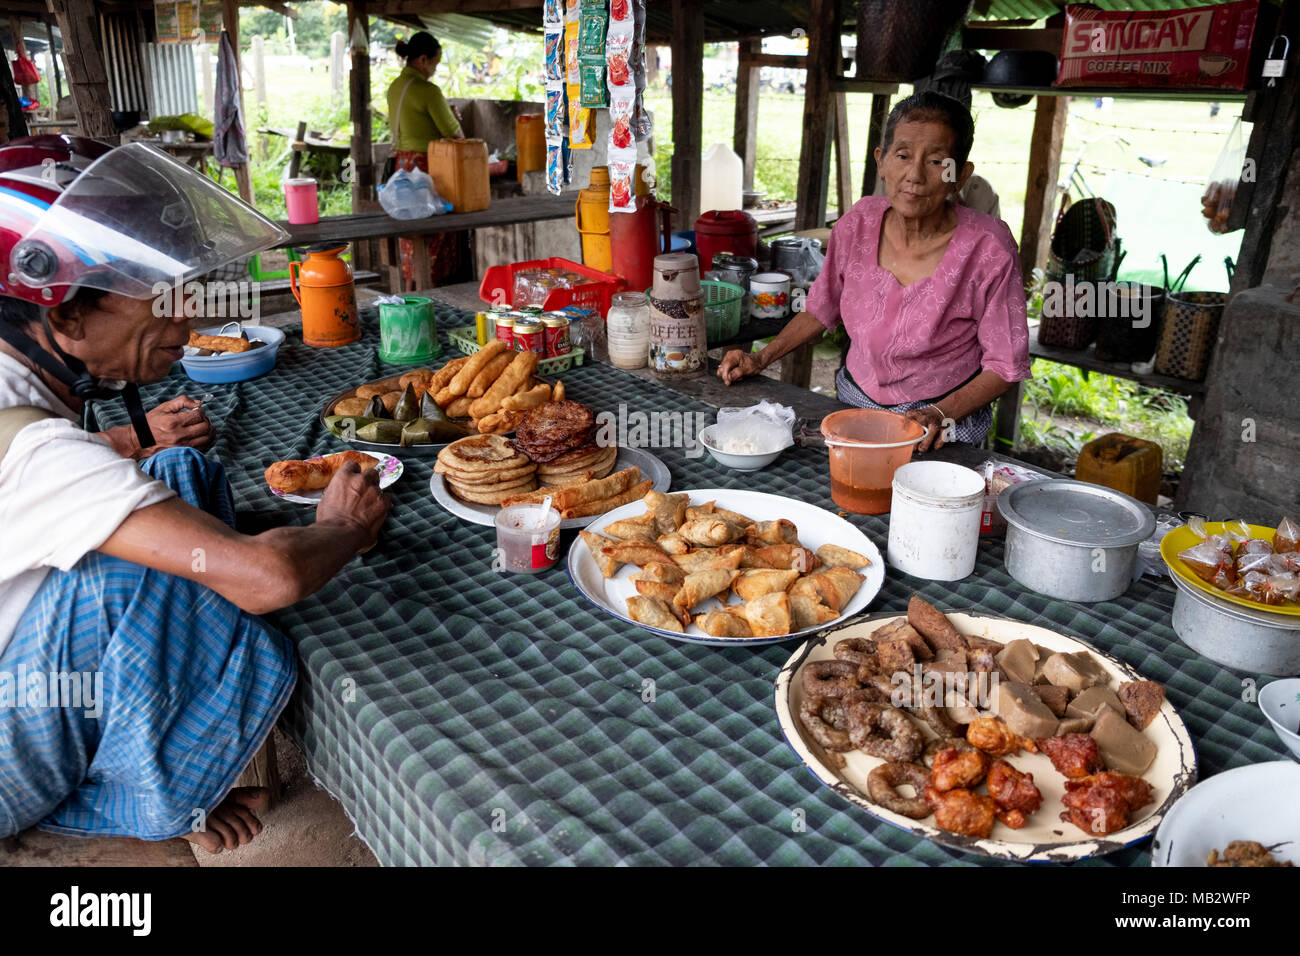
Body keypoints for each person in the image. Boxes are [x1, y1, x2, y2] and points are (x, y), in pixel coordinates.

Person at [0, 136, 390, 852]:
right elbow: (266, 579)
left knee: (178, 477)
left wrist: (127, 446)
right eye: (161, 306)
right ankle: (132, 799)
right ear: (64, 318)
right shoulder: (33, 446)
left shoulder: (20, 389)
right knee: (149, 569)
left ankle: (151, 767)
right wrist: (342, 528)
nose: (185, 330)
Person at [718, 91, 1030, 449]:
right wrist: (760, 357)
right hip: (856, 407)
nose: (913, 175)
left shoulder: (989, 247)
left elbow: (1006, 365)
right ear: (882, 162)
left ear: (960, 176)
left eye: (935, 161)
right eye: (902, 156)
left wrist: (939, 413)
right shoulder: (858, 223)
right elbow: (822, 306)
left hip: (944, 427)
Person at [384, 31, 465, 291]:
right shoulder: (428, 91)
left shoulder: (395, 87)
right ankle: (433, 291)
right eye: (435, 64)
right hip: (427, 170)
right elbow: (456, 135)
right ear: (422, 60)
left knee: (411, 231)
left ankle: (410, 288)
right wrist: (453, 116)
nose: (434, 70)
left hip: (402, 168)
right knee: (435, 232)